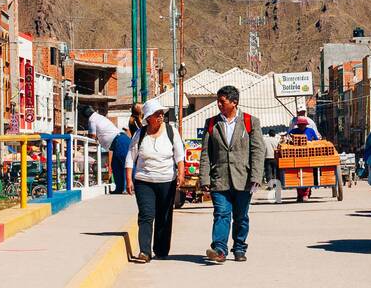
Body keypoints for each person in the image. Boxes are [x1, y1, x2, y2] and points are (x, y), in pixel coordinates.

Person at [200, 85, 265, 263]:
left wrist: (256, 177)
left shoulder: (251, 121)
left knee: (241, 216)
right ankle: (219, 249)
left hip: (243, 179)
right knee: (221, 213)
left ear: (234, 102)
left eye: (222, 102)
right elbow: (205, 152)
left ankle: (239, 247)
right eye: (218, 102)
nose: (219, 105)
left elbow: (258, 151)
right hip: (219, 179)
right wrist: (204, 177)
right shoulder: (212, 123)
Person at [125, 99, 186, 263]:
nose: (160, 117)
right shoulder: (140, 134)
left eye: (161, 114)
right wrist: (128, 179)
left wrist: (181, 174)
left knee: (164, 216)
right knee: (146, 215)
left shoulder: (171, 131)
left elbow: (179, 155)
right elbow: (130, 157)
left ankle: (161, 249)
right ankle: (145, 251)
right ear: (148, 117)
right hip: (144, 181)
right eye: (157, 114)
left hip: (167, 180)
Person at [87, 110, 125, 194]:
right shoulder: (99, 117)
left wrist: (90, 135)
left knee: (123, 165)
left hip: (119, 141)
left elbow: (92, 136)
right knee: (115, 165)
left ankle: (127, 188)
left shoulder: (92, 119)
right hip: (118, 141)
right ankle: (119, 188)